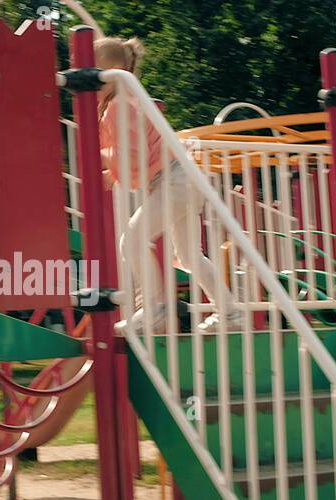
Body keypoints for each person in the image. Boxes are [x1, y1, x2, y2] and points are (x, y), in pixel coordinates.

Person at [95, 36, 237, 333]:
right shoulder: (128, 99)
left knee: (132, 241)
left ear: (109, 75)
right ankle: (231, 313)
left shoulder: (119, 105)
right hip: (184, 178)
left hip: (173, 180)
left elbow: (132, 151)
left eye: (93, 78)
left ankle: (154, 308)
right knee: (187, 255)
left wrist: (112, 172)